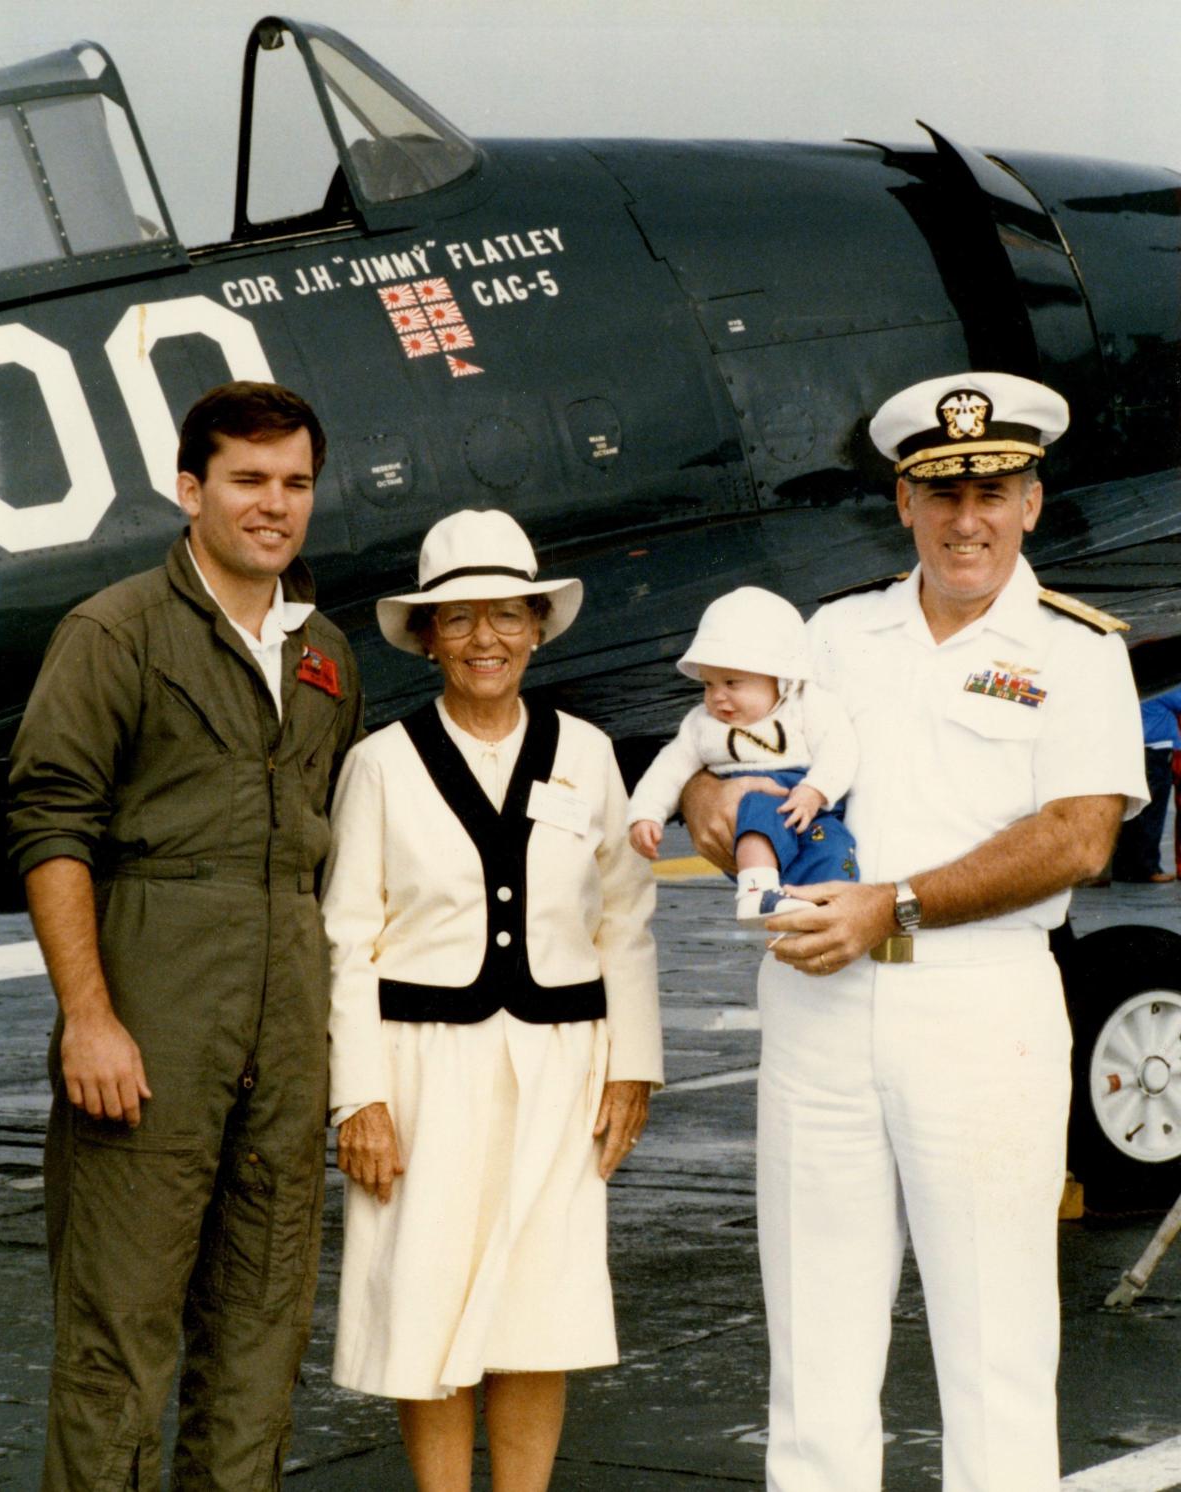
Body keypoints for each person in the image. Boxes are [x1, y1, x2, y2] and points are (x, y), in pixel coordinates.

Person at [681, 372, 1148, 1491]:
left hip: (979, 1006)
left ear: (1032, 501)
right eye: (942, 493)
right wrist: (712, 807)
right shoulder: (832, 635)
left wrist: (892, 904)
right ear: (903, 502)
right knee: (814, 1344)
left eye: (991, 491)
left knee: (994, 1346)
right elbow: (720, 761)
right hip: (820, 999)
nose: (966, 520)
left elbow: (1079, 836)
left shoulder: (1077, 650)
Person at [6, 381, 364, 1491]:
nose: (275, 505)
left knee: (262, 1338)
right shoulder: (114, 632)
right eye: (248, 480)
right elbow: (51, 823)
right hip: (152, 1017)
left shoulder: (326, 655)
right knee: (117, 1346)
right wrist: (89, 1017)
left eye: (295, 482)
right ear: (189, 490)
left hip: (285, 1030)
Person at [321, 508, 662, 1491]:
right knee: (426, 1302)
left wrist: (633, 1065)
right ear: (428, 635)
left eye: (508, 615)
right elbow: (346, 939)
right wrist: (359, 1098)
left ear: (537, 627)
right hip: (423, 1069)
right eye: (461, 617)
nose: (487, 639)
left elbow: (624, 918)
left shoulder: (587, 754)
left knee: (537, 1310)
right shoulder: (380, 764)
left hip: (562, 1065)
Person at [627, 585, 858, 925]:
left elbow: (839, 748)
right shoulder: (702, 725)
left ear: (780, 679)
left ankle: (822, 908)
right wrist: (646, 814)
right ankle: (757, 891)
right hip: (753, 807)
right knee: (759, 807)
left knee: (835, 845)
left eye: (732, 683)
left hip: (810, 803)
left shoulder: (808, 705)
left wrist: (816, 789)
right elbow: (669, 768)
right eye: (709, 684)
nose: (717, 697)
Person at [1111, 686, 1181, 882]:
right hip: (1156, 749)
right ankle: (1147, 867)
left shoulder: (1134, 687)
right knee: (1153, 811)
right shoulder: (1162, 688)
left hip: (1138, 747)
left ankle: (1124, 866)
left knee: (1134, 810)